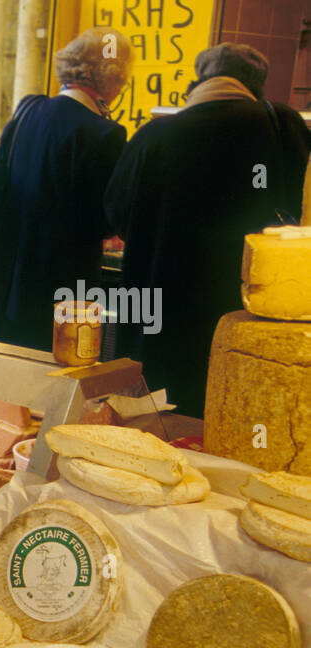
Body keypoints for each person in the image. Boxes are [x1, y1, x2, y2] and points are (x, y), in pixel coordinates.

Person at [104, 43, 311, 417]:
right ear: (256, 84)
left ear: (200, 79)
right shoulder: (281, 125)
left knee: (162, 413)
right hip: (244, 307)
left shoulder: (154, 135)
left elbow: (117, 213)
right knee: (236, 410)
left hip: (161, 306)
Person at [0, 28, 132, 350]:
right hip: (61, 286)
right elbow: (104, 219)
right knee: (51, 381)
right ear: (113, 79)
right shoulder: (105, 133)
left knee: (10, 375)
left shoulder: (30, 108)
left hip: (9, 277)